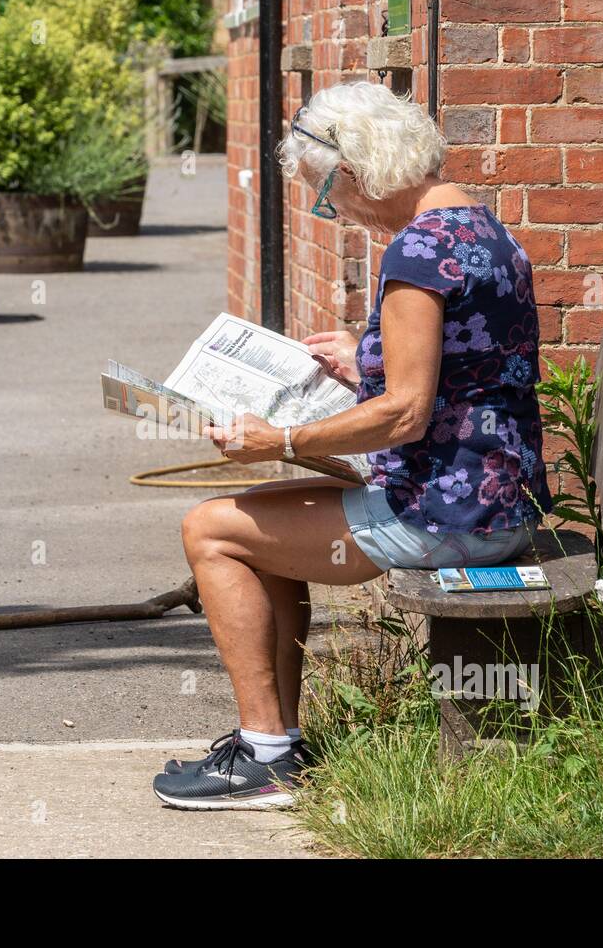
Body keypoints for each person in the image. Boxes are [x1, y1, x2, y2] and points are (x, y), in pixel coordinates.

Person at [152, 82, 553, 810]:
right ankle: (274, 739)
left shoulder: (417, 253)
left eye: (326, 195)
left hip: (445, 516)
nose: (333, 213)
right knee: (247, 517)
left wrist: (284, 437)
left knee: (208, 530)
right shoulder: (480, 227)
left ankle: (268, 759)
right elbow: (466, 359)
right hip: (499, 497)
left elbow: (404, 411)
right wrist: (362, 350)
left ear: (359, 171)